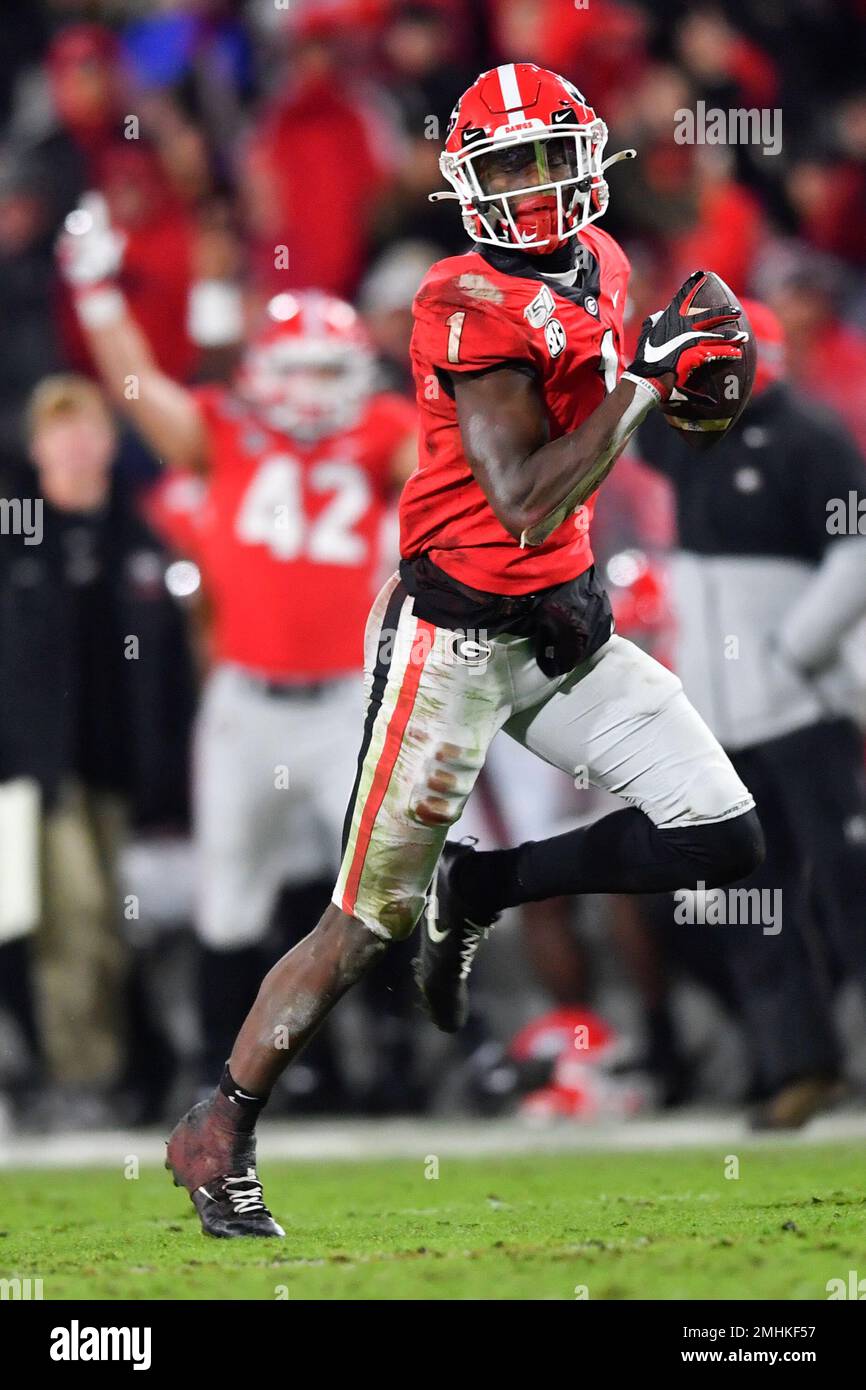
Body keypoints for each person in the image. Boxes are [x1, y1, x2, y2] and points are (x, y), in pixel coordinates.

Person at [161, 61, 764, 1238]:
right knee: (359, 921)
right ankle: (216, 1125)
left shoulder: (605, 265)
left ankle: (480, 884)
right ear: (470, 188)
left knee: (724, 836)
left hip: (558, 620)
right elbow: (526, 494)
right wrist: (646, 378)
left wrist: (701, 390)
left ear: (588, 156)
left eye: (551, 159)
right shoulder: (461, 296)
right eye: (512, 166)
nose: (538, 188)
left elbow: (613, 452)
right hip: (453, 638)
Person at [56, 205, 418, 1107]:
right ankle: (231, 1094)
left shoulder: (380, 433)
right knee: (230, 905)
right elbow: (140, 393)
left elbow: (455, 458)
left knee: (390, 893)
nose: (314, 390)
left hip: (347, 706)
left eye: (331, 370)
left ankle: (411, 1069)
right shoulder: (221, 429)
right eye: (300, 371)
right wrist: (100, 299)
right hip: (248, 707)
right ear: (263, 373)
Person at [637, 298, 866, 1128]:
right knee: (746, 897)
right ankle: (798, 1066)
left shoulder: (811, 435)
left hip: (804, 708)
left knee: (848, 886)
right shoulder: (684, 437)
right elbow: (622, 410)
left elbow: (858, 552)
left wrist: (793, 652)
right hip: (721, 720)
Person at [0, 374, 194, 1119]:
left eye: (88, 429)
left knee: (113, 925)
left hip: (118, 766)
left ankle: (113, 1075)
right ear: (36, 444)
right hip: (33, 767)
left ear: (111, 444)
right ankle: (80, 1079)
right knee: (69, 916)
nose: (76, 445)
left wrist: (171, 773)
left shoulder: (137, 533)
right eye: (59, 430)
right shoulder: (16, 519)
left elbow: (170, 669)